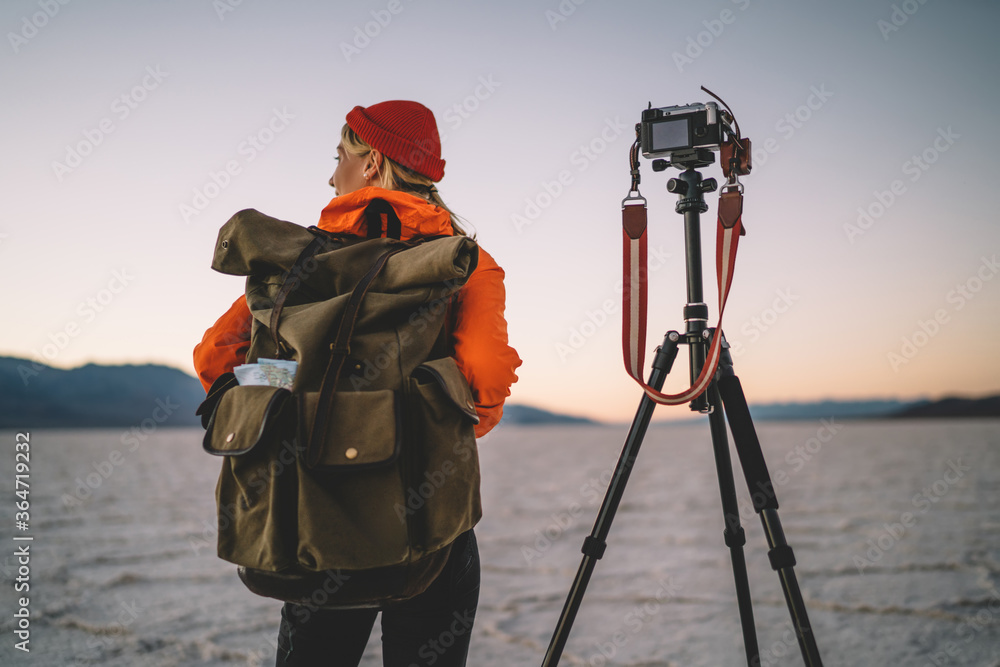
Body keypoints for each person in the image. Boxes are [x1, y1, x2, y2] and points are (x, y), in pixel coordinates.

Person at [192, 100, 521, 666]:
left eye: (339, 156)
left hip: (315, 522)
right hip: (430, 529)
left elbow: (216, 355)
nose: (331, 174)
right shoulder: (464, 260)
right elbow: (485, 374)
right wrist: (425, 431)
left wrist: (292, 396)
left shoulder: (302, 266)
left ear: (372, 162)